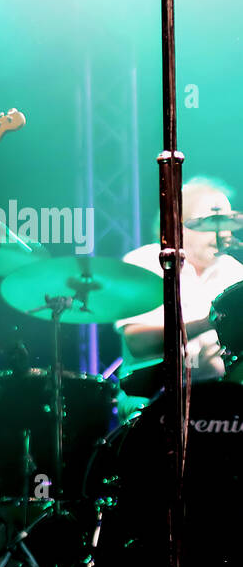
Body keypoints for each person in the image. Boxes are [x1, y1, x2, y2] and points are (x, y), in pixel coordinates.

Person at [116, 176, 242, 415]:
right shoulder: (144, 264)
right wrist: (210, 323)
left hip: (222, 396)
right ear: (179, 224)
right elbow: (138, 343)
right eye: (212, 222)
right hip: (151, 398)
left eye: (227, 223)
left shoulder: (235, 272)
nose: (222, 233)